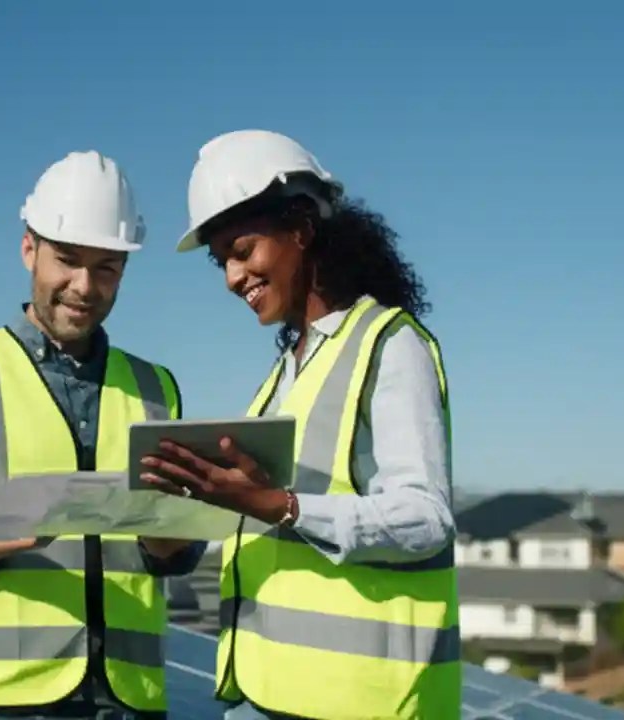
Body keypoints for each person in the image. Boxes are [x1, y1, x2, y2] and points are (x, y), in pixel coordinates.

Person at [139, 130, 461, 720]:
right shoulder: (282, 377)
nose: (233, 278)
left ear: (301, 229)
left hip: (363, 704)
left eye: (243, 250)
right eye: (222, 262)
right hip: (265, 696)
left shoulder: (390, 344)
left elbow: (426, 518)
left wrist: (279, 504)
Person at [0, 149, 208, 719]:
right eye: (67, 260)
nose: (84, 286)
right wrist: (4, 528)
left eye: (107, 267)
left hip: (126, 699)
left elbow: (176, 550)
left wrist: (171, 540)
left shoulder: (155, 387)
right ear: (28, 249)